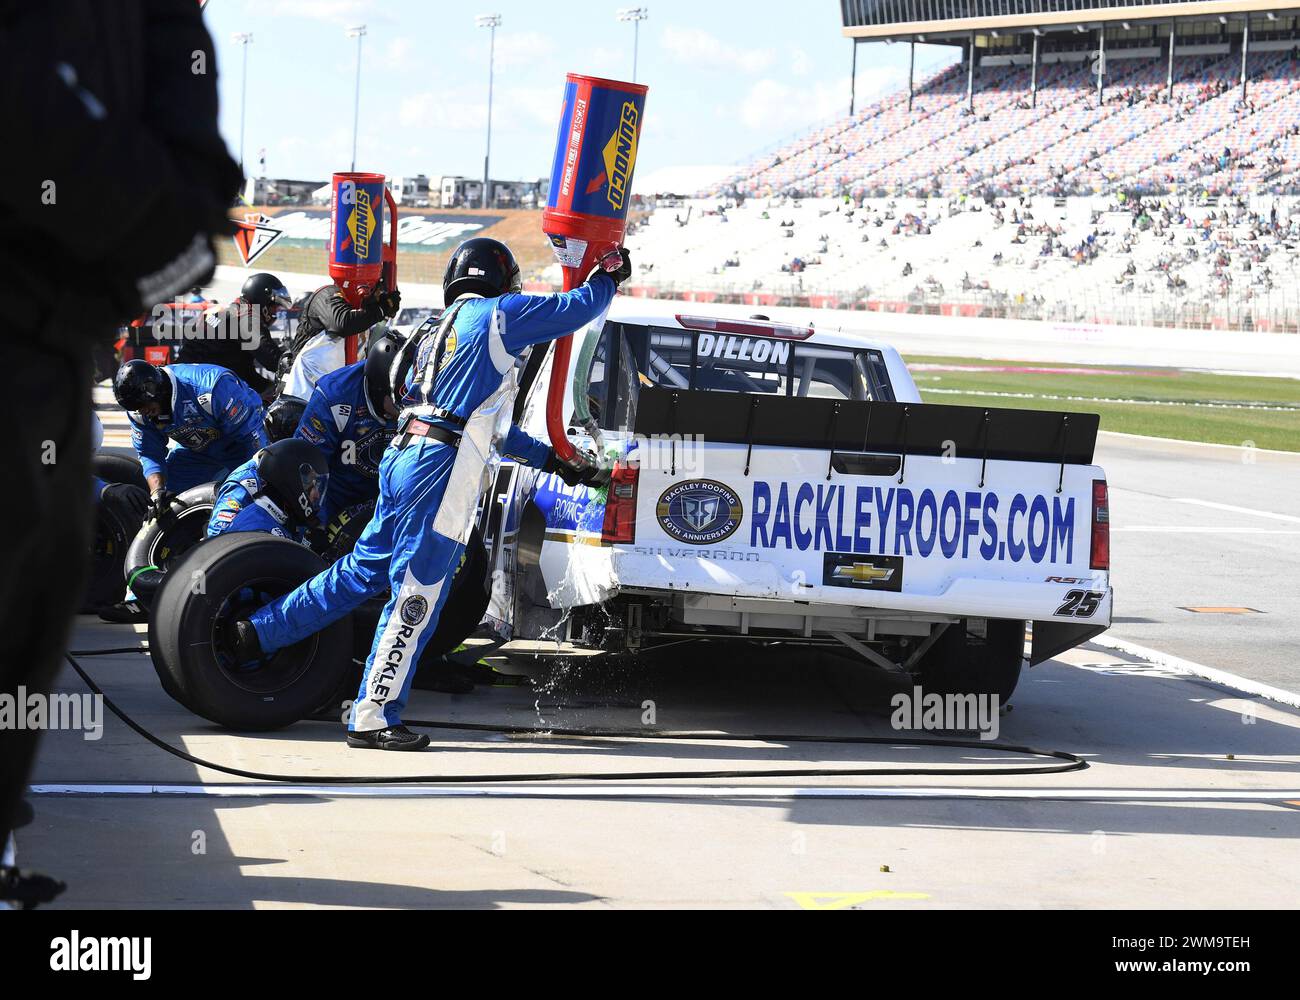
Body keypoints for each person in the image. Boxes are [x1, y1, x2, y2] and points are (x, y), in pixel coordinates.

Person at [0, 0, 240, 907]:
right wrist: (162, 224)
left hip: (60, 344)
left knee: (39, 595)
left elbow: (200, 210)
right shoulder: (172, 398)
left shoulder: (217, 392)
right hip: (41, 321)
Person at [229, 237, 627, 749]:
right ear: (501, 283)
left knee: (356, 574)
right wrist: (608, 275)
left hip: (404, 454)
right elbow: (576, 309)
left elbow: (493, 430)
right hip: (442, 466)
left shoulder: (430, 331)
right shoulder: (497, 315)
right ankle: (374, 714)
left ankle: (259, 631)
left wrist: (557, 464)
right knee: (418, 590)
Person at [113, 360, 269, 513]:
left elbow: (253, 436)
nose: (142, 412)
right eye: (136, 408)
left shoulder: (211, 388)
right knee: (166, 501)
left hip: (243, 445)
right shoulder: (138, 412)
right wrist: (157, 491)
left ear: (157, 390)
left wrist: (258, 482)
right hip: (198, 452)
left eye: (144, 406)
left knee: (247, 499)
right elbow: (149, 452)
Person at [295, 331, 405, 525]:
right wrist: (314, 523)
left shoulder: (421, 393)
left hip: (388, 501)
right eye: (397, 401)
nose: (404, 408)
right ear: (379, 388)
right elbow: (307, 466)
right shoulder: (334, 397)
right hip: (335, 502)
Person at [280, 279, 401, 400]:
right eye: (380, 292)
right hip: (300, 394)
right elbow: (341, 323)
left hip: (332, 396)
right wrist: (380, 310)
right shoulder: (326, 294)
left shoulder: (366, 319)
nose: (380, 296)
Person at [183, 272, 289, 400]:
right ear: (263, 302)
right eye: (275, 306)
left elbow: (243, 370)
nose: (276, 311)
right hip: (203, 384)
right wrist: (294, 365)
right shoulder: (246, 319)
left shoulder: (233, 310)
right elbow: (272, 360)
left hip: (195, 377)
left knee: (268, 391)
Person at [206, 438, 328, 541]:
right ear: (290, 476)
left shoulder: (279, 481)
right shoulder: (242, 487)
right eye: (309, 485)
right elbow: (218, 539)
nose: (316, 494)